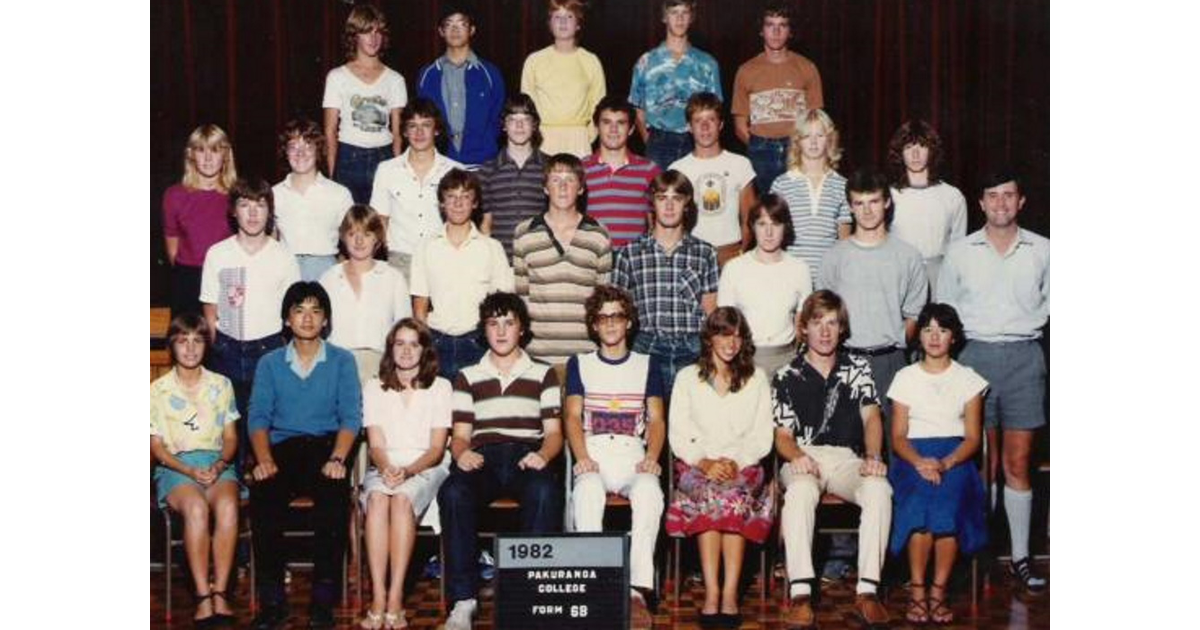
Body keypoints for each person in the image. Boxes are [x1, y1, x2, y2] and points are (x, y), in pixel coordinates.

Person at [937, 168, 1049, 595]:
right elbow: (946, 308)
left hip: (1024, 357)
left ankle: (1020, 556)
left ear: (1020, 202)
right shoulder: (961, 251)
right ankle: (978, 555)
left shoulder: (1044, 250)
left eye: (1008, 196)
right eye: (992, 196)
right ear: (980, 203)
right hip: (974, 356)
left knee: (1018, 463)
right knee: (981, 464)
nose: (1001, 203)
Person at [437, 292, 564, 630]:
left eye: (509, 323)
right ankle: (463, 600)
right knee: (452, 492)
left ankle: (529, 594)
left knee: (544, 492)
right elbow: (461, 434)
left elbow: (554, 433)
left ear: (522, 329)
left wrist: (543, 455)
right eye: (494, 324)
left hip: (527, 455)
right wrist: (461, 453)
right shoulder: (467, 375)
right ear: (484, 330)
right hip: (484, 458)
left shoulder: (543, 373)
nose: (502, 331)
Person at [771, 290, 892, 630]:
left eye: (832, 323)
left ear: (842, 329)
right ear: (804, 328)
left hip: (845, 459)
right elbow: (782, 436)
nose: (824, 332)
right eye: (816, 323)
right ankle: (800, 593)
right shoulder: (786, 374)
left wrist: (872, 457)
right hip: (803, 456)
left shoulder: (859, 369)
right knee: (799, 493)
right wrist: (798, 456)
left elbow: (871, 418)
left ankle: (868, 590)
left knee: (879, 489)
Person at [247, 282, 363, 630]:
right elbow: (257, 417)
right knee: (264, 495)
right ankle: (272, 601)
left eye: (315, 310)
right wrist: (264, 459)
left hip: (325, 448)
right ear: (287, 319)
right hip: (282, 450)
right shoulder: (269, 363)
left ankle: (323, 602)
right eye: (299, 310)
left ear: (326, 319)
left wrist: (339, 459)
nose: (307, 318)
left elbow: (351, 417)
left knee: (332, 498)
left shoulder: (342, 360)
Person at [666, 307, 774, 629]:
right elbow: (679, 432)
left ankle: (729, 595)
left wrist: (735, 462)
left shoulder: (756, 379)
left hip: (744, 466)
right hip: (696, 465)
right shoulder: (687, 378)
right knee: (712, 493)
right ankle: (711, 593)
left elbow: (761, 435)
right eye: (724, 334)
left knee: (733, 495)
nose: (731, 342)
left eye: (738, 335)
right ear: (710, 337)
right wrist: (705, 462)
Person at [564, 286, 665, 630]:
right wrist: (581, 457)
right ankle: (596, 585)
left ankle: (637, 590)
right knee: (588, 491)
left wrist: (652, 456)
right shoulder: (579, 363)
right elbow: (573, 417)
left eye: (617, 316)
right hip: (595, 451)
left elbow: (656, 419)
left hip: (631, 451)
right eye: (603, 317)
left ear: (628, 322)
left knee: (651, 491)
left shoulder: (647, 364)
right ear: (593, 325)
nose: (610, 324)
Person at [888, 303, 988, 625]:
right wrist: (920, 462)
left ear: (954, 337)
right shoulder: (905, 377)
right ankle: (917, 591)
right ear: (919, 336)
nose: (934, 337)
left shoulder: (969, 379)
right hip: (913, 456)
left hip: (955, 456)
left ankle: (937, 592)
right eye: (928, 329)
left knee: (949, 499)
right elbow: (899, 437)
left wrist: (945, 463)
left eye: (942, 330)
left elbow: (973, 438)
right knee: (920, 500)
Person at [359, 319, 453, 630]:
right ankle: (378, 596)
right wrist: (387, 468)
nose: (407, 351)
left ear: (425, 350)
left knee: (400, 501)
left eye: (414, 344)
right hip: (386, 463)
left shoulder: (441, 387)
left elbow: (437, 449)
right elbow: (375, 444)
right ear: (390, 349)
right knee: (375, 499)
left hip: (426, 465)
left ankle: (396, 597)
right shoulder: (375, 387)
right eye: (400, 343)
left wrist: (408, 472)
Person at [150, 313, 241, 626]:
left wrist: (218, 465)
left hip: (216, 464)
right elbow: (157, 448)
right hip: (176, 466)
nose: (190, 348)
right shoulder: (157, 391)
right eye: (182, 341)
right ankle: (203, 596)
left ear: (207, 345)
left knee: (228, 506)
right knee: (196, 508)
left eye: (197, 340)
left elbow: (230, 438)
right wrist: (189, 472)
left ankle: (221, 593)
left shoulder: (222, 385)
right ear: (171, 346)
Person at [817, 169, 928, 425]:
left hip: (890, 362)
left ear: (887, 202)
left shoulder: (908, 256)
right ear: (850, 207)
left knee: (893, 443)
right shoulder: (835, 256)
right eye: (859, 203)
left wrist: (897, 343)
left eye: (874, 201)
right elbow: (823, 313)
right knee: (846, 450)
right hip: (845, 359)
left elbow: (915, 313)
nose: (867, 211)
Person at [200, 178, 301, 458]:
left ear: (270, 211)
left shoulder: (283, 257)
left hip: (268, 349)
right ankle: (233, 484)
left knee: (264, 423)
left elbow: (291, 314)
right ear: (233, 211)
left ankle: (263, 486)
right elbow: (210, 311)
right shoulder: (218, 254)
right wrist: (217, 348)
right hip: (228, 347)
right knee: (228, 425)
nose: (253, 213)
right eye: (245, 205)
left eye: (260, 205)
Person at [612, 169, 718, 393]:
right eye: (662, 198)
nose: (669, 206)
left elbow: (710, 309)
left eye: (676, 199)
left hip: (692, 347)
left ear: (687, 204)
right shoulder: (629, 253)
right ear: (652, 203)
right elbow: (618, 311)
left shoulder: (705, 253)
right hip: (646, 346)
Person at [411, 169, 515, 379]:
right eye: (451, 196)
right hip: (437, 342)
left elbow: (503, 307)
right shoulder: (425, 247)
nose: (458, 203)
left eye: (465, 197)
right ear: (442, 203)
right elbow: (420, 304)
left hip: (478, 343)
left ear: (475, 203)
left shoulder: (491, 248)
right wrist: (426, 345)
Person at [513, 153, 613, 366]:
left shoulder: (599, 234)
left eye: (570, 180)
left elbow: (603, 301)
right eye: (556, 180)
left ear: (581, 188)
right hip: (536, 356)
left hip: (586, 355)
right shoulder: (524, 233)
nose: (563, 186)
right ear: (545, 188)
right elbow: (521, 299)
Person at [732, 2, 824, 196]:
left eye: (782, 25)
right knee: (768, 210)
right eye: (770, 25)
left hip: (797, 149)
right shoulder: (746, 70)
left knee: (799, 207)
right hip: (761, 150)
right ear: (761, 30)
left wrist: (801, 147)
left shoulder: (807, 67)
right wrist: (759, 147)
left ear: (790, 31)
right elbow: (740, 125)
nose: (776, 31)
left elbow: (817, 120)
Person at [369, 98, 465, 282]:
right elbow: (381, 219)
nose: (419, 132)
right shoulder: (386, 170)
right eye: (412, 126)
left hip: (443, 257)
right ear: (404, 132)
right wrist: (389, 253)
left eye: (426, 125)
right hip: (400, 261)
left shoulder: (455, 170)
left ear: (436, 130)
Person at [323, 3, 408, 204]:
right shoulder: (337, 76)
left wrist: (398, 172)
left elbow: (397, 134)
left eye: (378, 32)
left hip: (384, 157)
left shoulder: (395, 79)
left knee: (382, 224)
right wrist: (333, 175)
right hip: (348, 157)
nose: (373, 38)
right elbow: (329, 131)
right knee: (350, 226)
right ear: (354, 36)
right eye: (366, 32)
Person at [717, 194, 811, 375]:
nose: (768, 233)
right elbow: (725, 325)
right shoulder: (734, 268)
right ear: (752, 227)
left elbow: (802, 325)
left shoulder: (800, 269)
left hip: (787, 358)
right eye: (762, 224)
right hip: (746, 359)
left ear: (786, 227)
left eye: (775, 224)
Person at [318, 205, 413, 384]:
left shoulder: (393, 277)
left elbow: (404, 329)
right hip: (337, 364)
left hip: (380, 365)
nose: (359, 241)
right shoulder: (329, 278)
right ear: (343, 237)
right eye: (353, 234)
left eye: (367, 234)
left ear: (377, 238)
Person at [629, 0, 723, 169]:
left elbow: (716, 110)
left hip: (695, 140)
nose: (679, 19)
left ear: (692, 17)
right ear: (664, 17)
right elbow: (637, 107)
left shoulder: (707, 63)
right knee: (662, 193)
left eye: (684, 13)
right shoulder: (646, 61)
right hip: (658, 141)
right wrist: (648, 139)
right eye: (674, 12)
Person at [669, 92, 758, 266]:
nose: (704, 127)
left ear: (721, 124)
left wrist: (742, 253)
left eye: (711, 119)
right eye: (697, 121)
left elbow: (750, 217)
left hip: (731, 253)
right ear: (689, 126)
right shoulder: (677, 169)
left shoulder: (740, 164)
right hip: (692, 255)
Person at [415, 5, 506, 168]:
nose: (455, 29)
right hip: (439, 164)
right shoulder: (427, 75)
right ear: (441, 31)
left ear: (472, 30)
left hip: (482, 164)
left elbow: (498, 118)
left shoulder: (490, 73)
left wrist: (485, 147)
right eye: (449, 24)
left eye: (461, 24)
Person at [769, 108, 850, 288]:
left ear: (829, 140)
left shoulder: (842, 185)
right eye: (807, 136)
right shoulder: (781, 184)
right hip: (790, 278)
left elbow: (844, 241)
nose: (813, 142)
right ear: (798, 142)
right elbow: (774, 236)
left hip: (828, 280)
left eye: (819, 135)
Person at [163, 124, 238, 317]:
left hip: (228, 279)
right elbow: (173, 251)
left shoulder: (237, 195)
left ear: (226, 155)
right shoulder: (174, 195)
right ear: (191, 155)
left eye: (215, 150)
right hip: (188, 282)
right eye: (200, 150)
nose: (207, 158)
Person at [886, 120, 968, 296]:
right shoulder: (889, 196)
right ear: (900, 153)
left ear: (932, 151)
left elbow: (959, 249)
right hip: (900, 278)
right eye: (908, 147)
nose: (915, 154)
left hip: (941, 279)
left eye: (922, 146)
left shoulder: (952, 196)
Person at [520, 0, 606, 157]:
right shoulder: (534, 60)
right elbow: (528, 104)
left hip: (579, 140)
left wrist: (588, 136)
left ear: (578, 24)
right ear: (550, 24)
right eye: (557, 17)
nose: (563, 22)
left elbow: (598, 103)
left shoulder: (590, 60)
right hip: (543, 139)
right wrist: (537, 135)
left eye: (569, 16)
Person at [273, 118, 354, 281]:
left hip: (326, 270)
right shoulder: (273, 194)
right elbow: (269, 241)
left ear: (318, 150)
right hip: (285, 270)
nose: (300, 153)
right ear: (285, 152)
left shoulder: (339, 194)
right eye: (293, 147)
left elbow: (353, 240)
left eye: (308, 146)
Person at [582, 96, 662, 248]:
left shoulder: (649, 170)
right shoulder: (581, 169)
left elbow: (658, 221)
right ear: (597, 127)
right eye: (606, 122)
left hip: (633, 264)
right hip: (592, 262)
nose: (613, 129)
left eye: (621, 123)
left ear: (631, 129)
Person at [478, 94, 550, 257]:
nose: (519, 125)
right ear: (504, 125)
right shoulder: (487, 170)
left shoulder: (550, 167)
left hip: (540, 260)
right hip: (501, 262)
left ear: (534, 125)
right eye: (512, 119)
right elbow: (485, 225)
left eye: (525, 119)